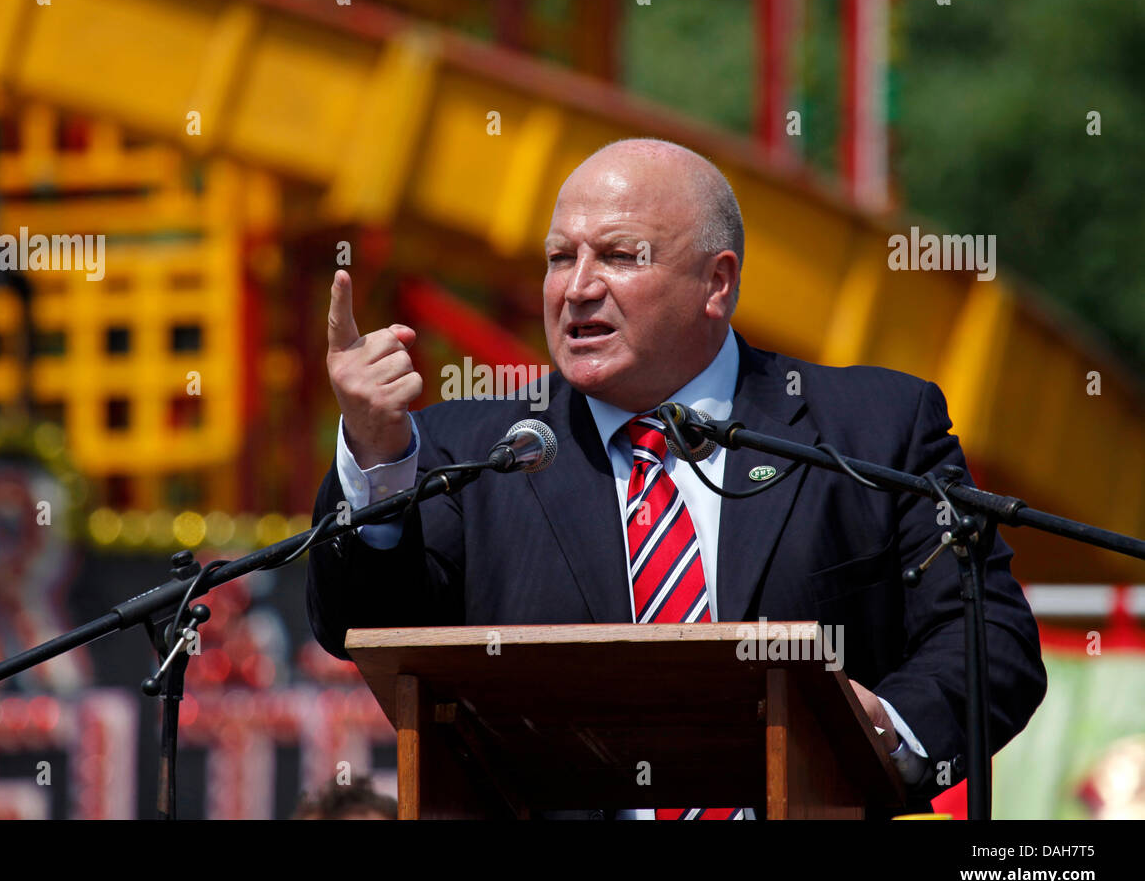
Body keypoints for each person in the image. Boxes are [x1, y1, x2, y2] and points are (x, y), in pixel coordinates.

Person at [306, 137, 1047, 817]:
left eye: (620, 256)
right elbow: (356, 627)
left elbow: (991, 644)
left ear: (715, 283)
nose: (578, 287)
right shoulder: (469, 452)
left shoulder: (872, 427)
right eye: (560, 258)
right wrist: (376, 458)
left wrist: (883, 731)